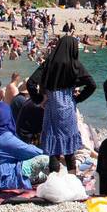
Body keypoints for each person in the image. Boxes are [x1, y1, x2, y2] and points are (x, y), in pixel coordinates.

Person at [26, 36, 96, 174]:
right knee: (69, 148)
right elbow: (92, 85)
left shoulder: (49, 63)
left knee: (54, 149)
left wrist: (39, 99)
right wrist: (78, 98)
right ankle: (72, 179)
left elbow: (30, 83)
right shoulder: (75, 64)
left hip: (51, 107)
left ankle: (54, 179)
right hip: (68, 107)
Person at [0, 102, 50, 192]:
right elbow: (33, 152)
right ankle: (65, 176)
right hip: (1, 180)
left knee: (41, 175)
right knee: (45, 159)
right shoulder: (5, 137)